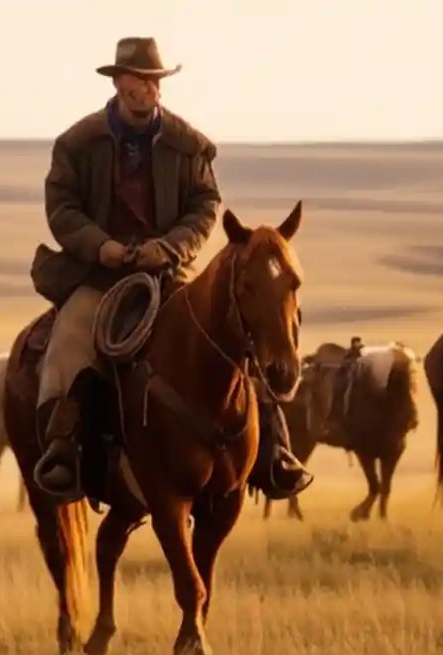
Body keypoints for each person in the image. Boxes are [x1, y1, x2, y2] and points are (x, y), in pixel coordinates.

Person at [29, 37, 313, 500]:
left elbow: (206, 207)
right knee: (69, 342)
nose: (147, 89)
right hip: (98, 276)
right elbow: (62, 209)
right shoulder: (77, 145)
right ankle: (64, 450)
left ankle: (275, 448)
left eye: (154, 81)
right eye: (137, 80)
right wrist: (103, 248)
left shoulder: (190, 147)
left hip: (167, 275)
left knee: (235, 335)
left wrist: (169, 248)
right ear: (118, 82)